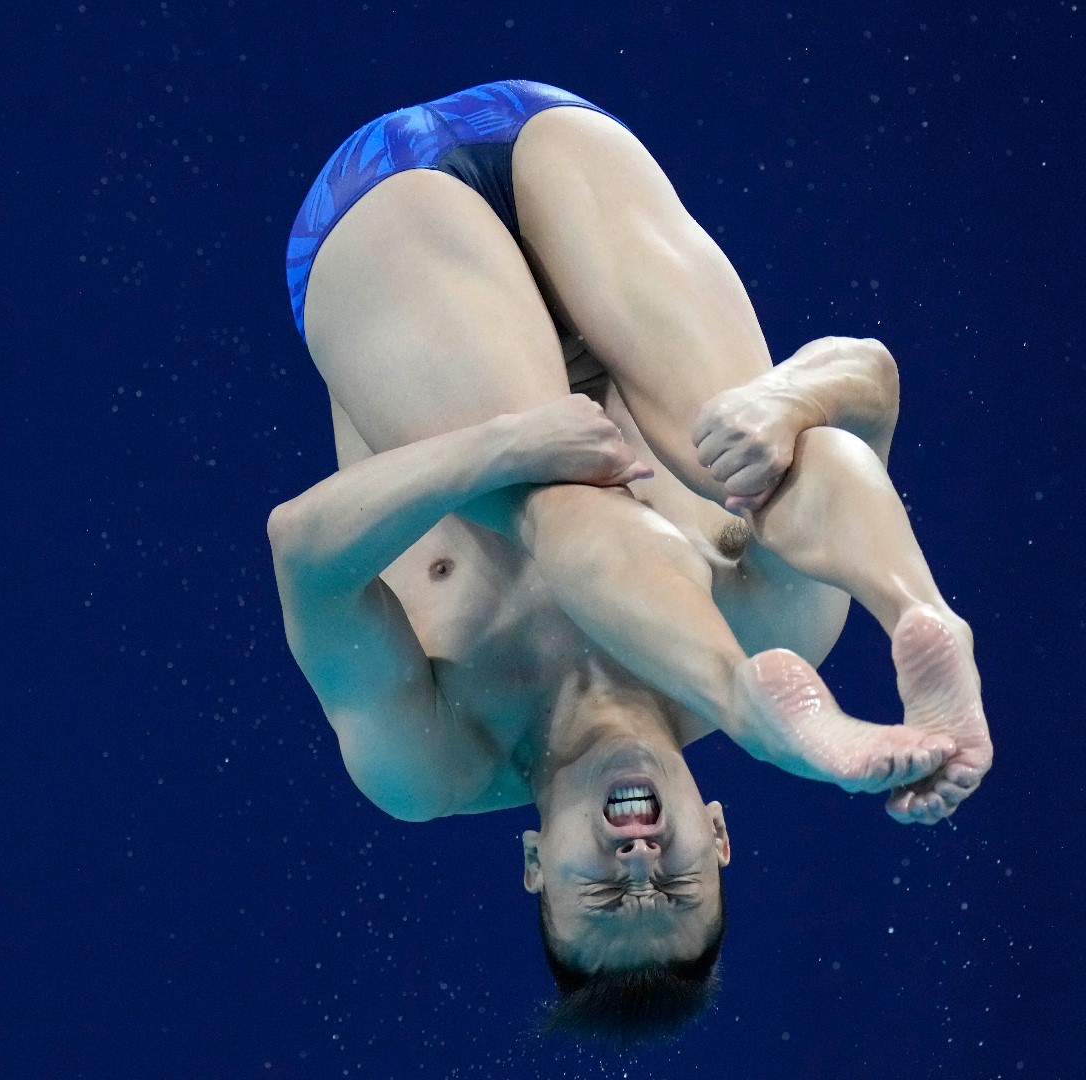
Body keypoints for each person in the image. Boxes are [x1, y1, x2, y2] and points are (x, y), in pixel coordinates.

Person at [265, 80, 993, 1038]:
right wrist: (790, 403)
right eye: (679, 884)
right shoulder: (789, 630)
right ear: (721, 836)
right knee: (735, 452)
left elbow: (303, 552)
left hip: (382, 216)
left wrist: (500, 452)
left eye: (602, 899)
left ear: (533, 866)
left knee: (557, 509)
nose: (639, 864)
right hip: (558, 138)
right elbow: (870, 377)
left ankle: (748, 700)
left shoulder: (431, 761)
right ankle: (922, 612)